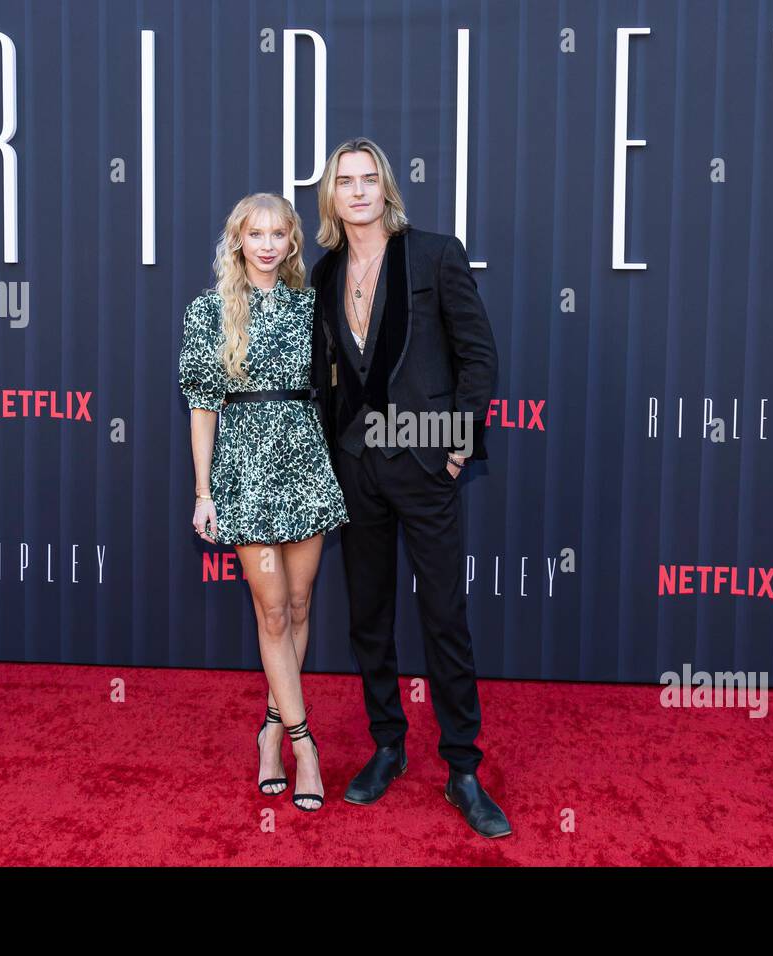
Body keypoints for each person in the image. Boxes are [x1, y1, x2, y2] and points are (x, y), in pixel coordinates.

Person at [308, 138, 511, 838]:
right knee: (369, 616)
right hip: (356, 468)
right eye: (345, 182)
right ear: (331, 196)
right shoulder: (325, 270)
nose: (358, 191)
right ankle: (388, 747)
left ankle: (462, 768)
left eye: (369, 179)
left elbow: (477, 355)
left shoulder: (433, 253)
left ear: (387, 188)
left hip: (425, 464)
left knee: (444, 618)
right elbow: (325, 376)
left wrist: (456, 446)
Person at [179, 192, 348, 812]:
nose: (270, 243)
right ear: (238, 241)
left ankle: (270, 728)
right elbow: (202, 408)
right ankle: (303, 745)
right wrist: (204, 493)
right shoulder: (209, 312)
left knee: (300, 604)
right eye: (258, 233)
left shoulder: (312, 309)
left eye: (281, 232)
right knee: (272, 611)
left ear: (292, 241)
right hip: (244, 472)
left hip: (303, 464)